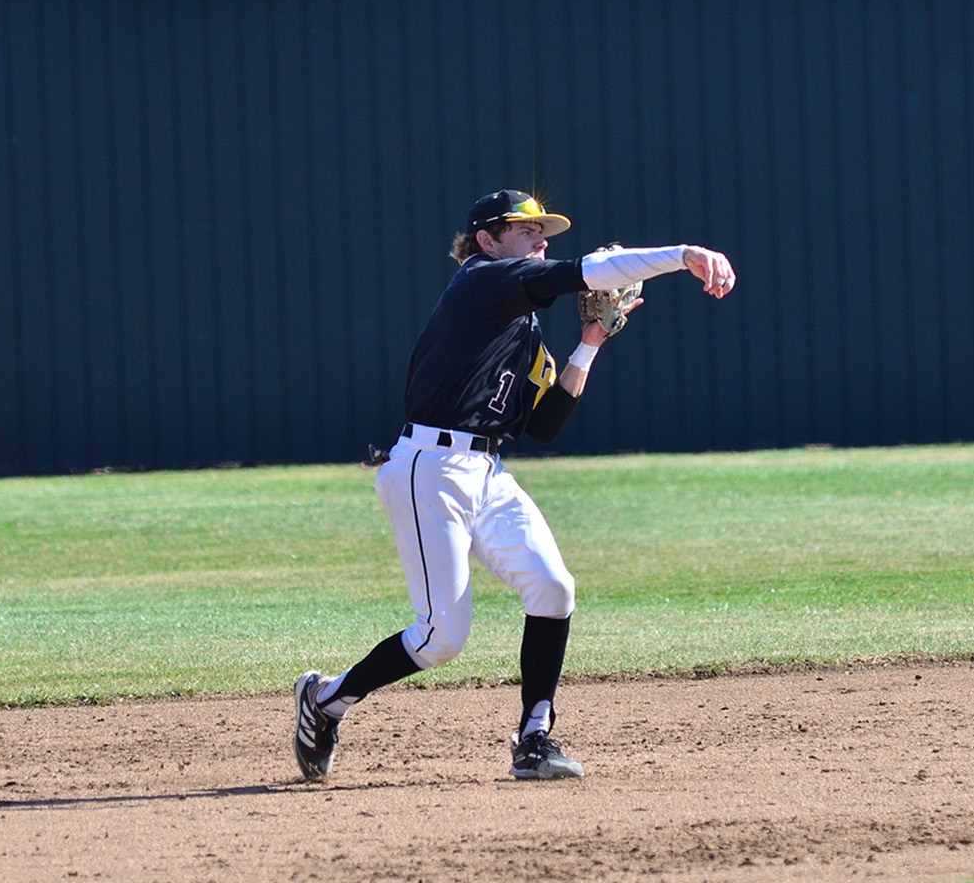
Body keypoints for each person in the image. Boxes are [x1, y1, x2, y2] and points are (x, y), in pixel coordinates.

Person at [293, 189, 737, 781]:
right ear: (487, 239)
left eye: (542, 230)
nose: (541, 238)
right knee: (440, 639)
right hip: (430, 468)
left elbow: (545, 425)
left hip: (487, 471)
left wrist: (590, 343)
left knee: (554, 588)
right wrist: (684, 254)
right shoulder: (482, 281)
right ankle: (325, 702)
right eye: (526, 229)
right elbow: (583, 272)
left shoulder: (521, 327)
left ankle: (534, 739)